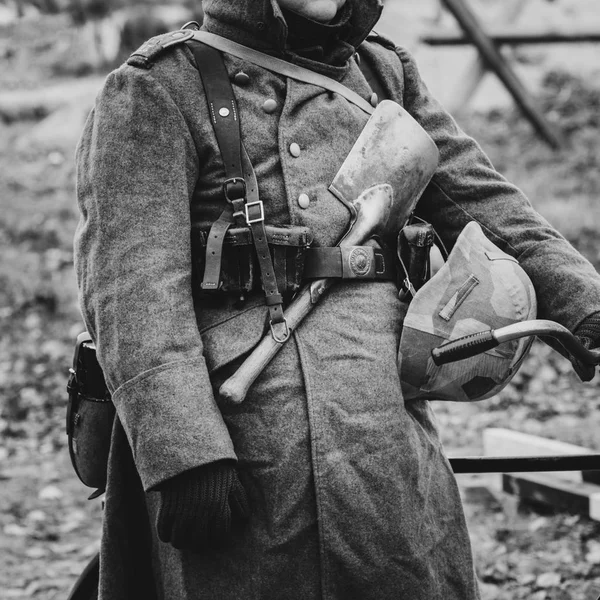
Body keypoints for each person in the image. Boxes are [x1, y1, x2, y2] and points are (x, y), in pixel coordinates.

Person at [74, 0, 600, 598]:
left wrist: (586, 305)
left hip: (383, 430)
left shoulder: (380, 73)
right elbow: (131, 289)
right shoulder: (158, 86)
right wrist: (185, 452)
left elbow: (481, 203)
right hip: (242, 444)